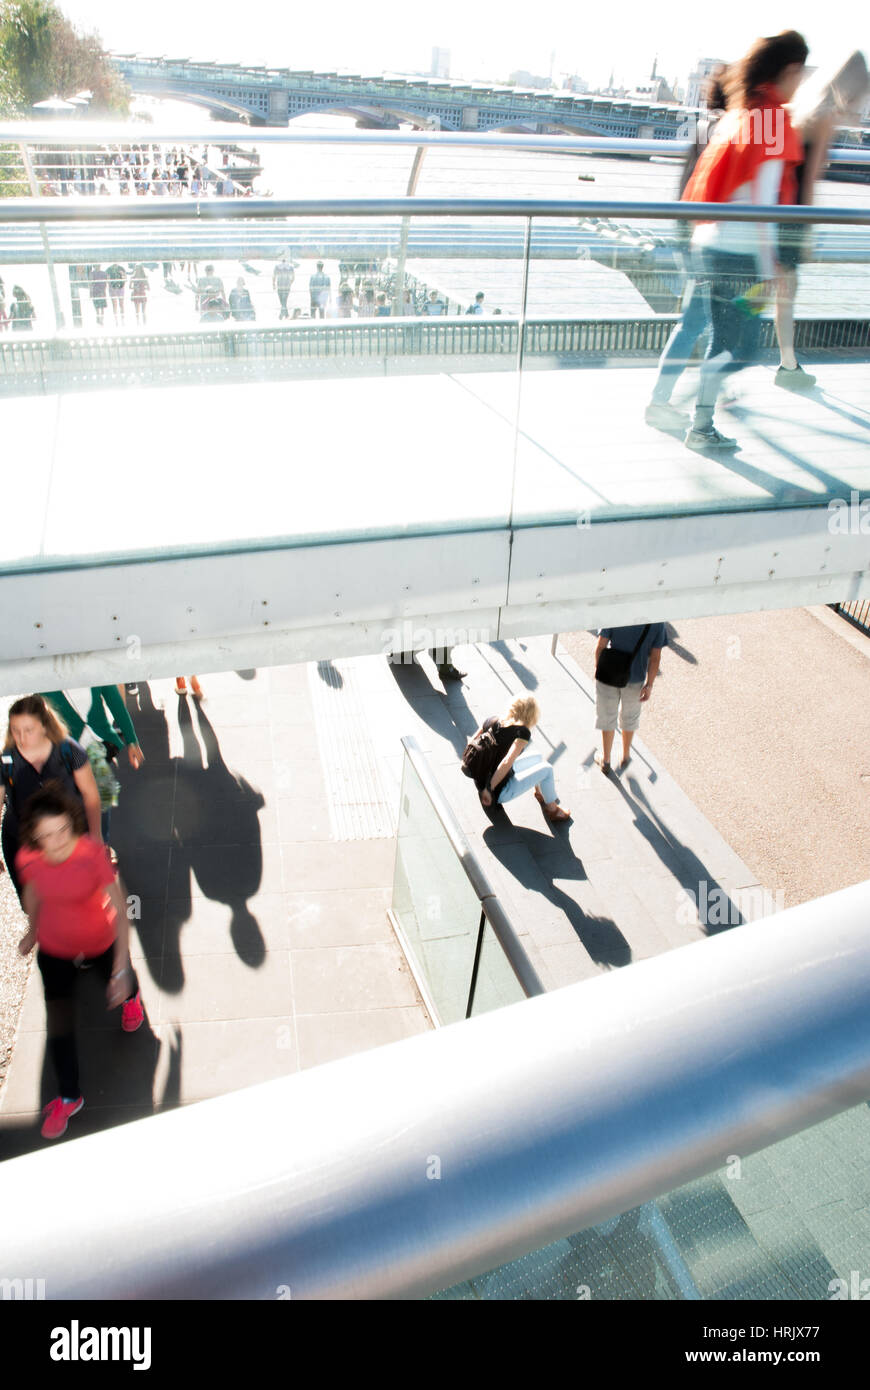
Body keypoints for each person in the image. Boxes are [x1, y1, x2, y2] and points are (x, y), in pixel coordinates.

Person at [681, 30, 809, 451]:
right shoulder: (772, 118)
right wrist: (773, 263)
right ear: (789, 69)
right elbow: (764, 200)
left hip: (713, 245)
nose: (802, 80)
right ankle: (695, 410)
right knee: (742, 347)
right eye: (802, 71)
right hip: (743, 255)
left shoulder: (744, 110)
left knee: (725, 339)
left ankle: (700, 424)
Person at [16, 784, 144, 1140]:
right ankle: (70, 1097)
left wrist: (119, 970)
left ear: (72, 825)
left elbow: (123, 913)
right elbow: (34, 893)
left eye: (61, 831)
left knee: (120, 982)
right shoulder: (29, 860)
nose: (56, 842)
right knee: (59, 1026)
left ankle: (132, 1000)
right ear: (34, 838)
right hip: (55, 950)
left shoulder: (92, 856)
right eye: (46, 836)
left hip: (99, 941)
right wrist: (32, 931)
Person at [773, 52, 869, 391]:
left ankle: (787, 363)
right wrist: (808, 232)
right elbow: (810, 180)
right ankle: (786, 365)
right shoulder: (824, 120)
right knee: (785, 295)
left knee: (773, 291)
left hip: (774, 208)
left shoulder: (799, 111)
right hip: (794, 215)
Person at [645, 68, 729, 430]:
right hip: (712, 242)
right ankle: (667, 401)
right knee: (700, 322)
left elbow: (685, 187)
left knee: (699, 321)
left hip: (695, 237)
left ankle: (680, 396)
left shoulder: (703, 128)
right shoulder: (727, 131)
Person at [0, 695, 103, 901]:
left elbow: (90, 795)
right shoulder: (6, 760)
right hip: (24, 844)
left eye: (28, 730)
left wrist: (97, 838)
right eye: (15, 730)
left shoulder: (69, 751)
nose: (21, 737)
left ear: (44, 726)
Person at [40, 688, 145, 842]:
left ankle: (102, 844)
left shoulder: (94, 669)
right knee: (73, 804)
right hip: (66, 752)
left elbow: (114, 700)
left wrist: (131, 739)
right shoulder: (45, 676)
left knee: (100, 800)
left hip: (98, 746)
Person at [469, 696, 571, 823]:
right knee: (547, 769)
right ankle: (552, 810)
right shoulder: (522, 733)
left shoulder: (493, 720)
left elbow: (471, 743)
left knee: (537, 756)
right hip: (498, 791)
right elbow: (507, 761)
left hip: (482, 779)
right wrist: (489, 789)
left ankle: (541, 794)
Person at [593, 622, 668, 774]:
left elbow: (601, 646)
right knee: (630, 717)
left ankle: (606, 759)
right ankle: (625, 754)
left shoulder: (618, 612)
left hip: (609, 676)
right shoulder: (657, 622)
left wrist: (599, 669)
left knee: (607, 716)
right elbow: (655, 658)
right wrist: (649, 685)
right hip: (636, 679)